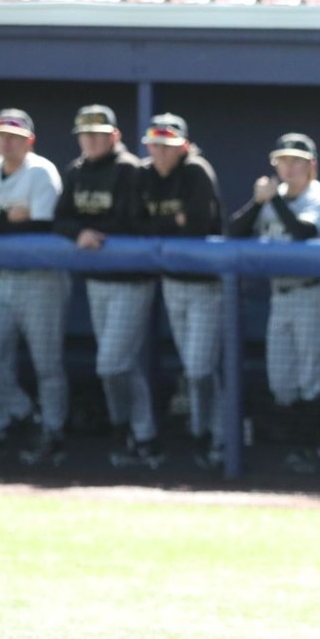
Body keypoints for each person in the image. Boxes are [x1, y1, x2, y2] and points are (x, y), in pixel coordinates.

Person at [228, 132, 320, 474]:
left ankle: (314, 448)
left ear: (311, 166)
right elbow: (233, 233)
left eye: (296, 161)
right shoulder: (272, 196)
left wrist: (274, 201)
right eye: (283, 160)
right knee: (281, 383)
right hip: (280, 297)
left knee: (312, 379)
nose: (288, 167)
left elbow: (302, 234)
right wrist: (258, 203)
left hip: (314, 293)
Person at [54, 104, 161, 469]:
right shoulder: (76, 171)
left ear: (114, 136)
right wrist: (80, 231)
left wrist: (92, 227)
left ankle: (135, 431)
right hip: (98, 281)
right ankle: (136, 436)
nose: (92, 140)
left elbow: (130, 221)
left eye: (99, 134)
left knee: (112, 364)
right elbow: (61, 218)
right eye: (86, 134)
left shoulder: (129, 168)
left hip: (131, 279)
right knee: (119, 363)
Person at [0, 108, 68, 465]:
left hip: (42, 280)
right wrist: (7, 221)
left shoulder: (42, 172)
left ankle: (53, 433)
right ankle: (25, 415)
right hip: (5, 278)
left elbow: (41, 228)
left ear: (30, 141)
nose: (6, 142)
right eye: (1, 135)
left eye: (15, 137)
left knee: (47, 364)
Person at [136, 113, 226, 469]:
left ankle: (217, 434)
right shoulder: (144, 174)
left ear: (183, 147)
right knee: (192, 367)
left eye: (168, 146)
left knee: (201, 368)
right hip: (172, 282)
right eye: (155, 145)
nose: (159, 152)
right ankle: (203, 433)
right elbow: (135, 222)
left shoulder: (196, 171)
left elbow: (199, 225)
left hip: (205, 283)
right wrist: (171, 223)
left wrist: (165, 227)